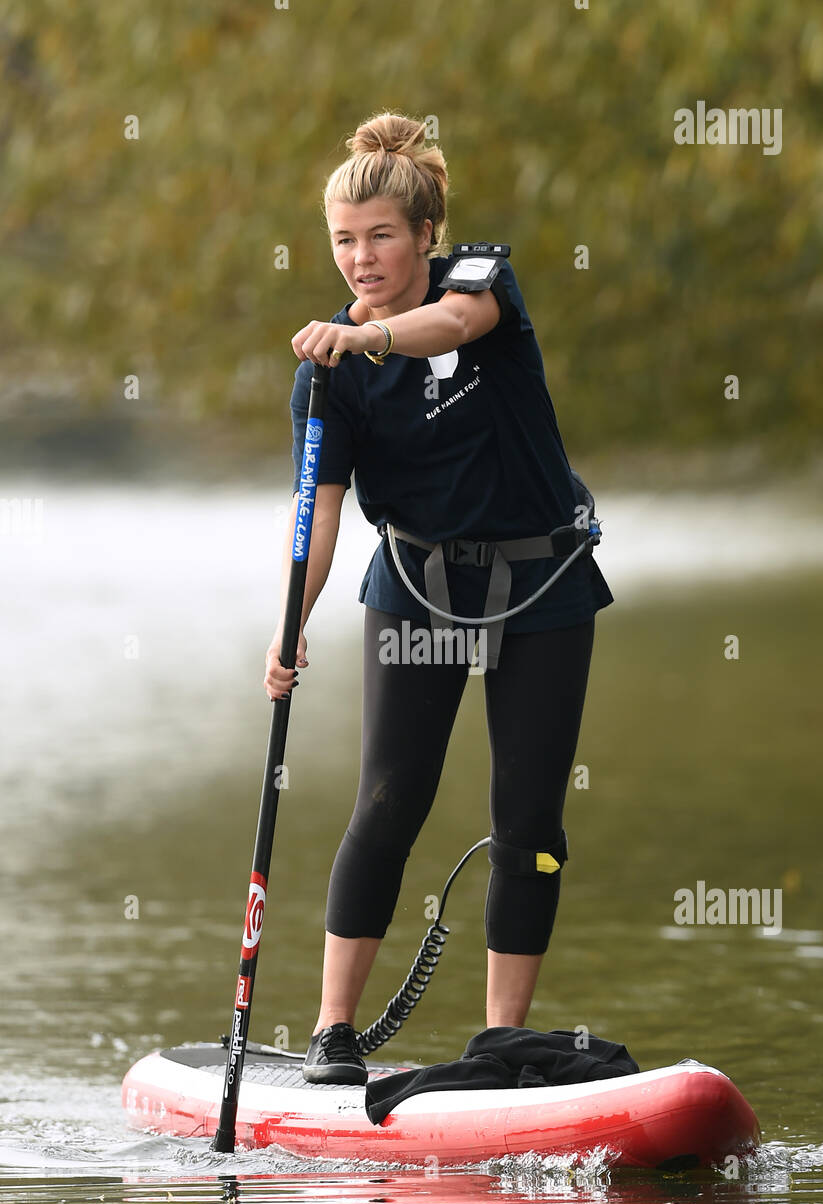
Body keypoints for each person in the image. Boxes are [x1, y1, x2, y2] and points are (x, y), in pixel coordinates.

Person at [264, 111, 613, 1084]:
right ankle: (334, 1029)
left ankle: (502, 1038)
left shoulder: (476, 280)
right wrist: (287, 631)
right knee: (388, 797)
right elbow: (318, 516)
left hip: (542, 586)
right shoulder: (327, 374)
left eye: (380, 235)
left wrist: (362, 334)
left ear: (423, 235)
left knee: (529, 820)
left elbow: (451, 329)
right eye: (343, 239)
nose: (360, 257)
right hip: (416, 590)